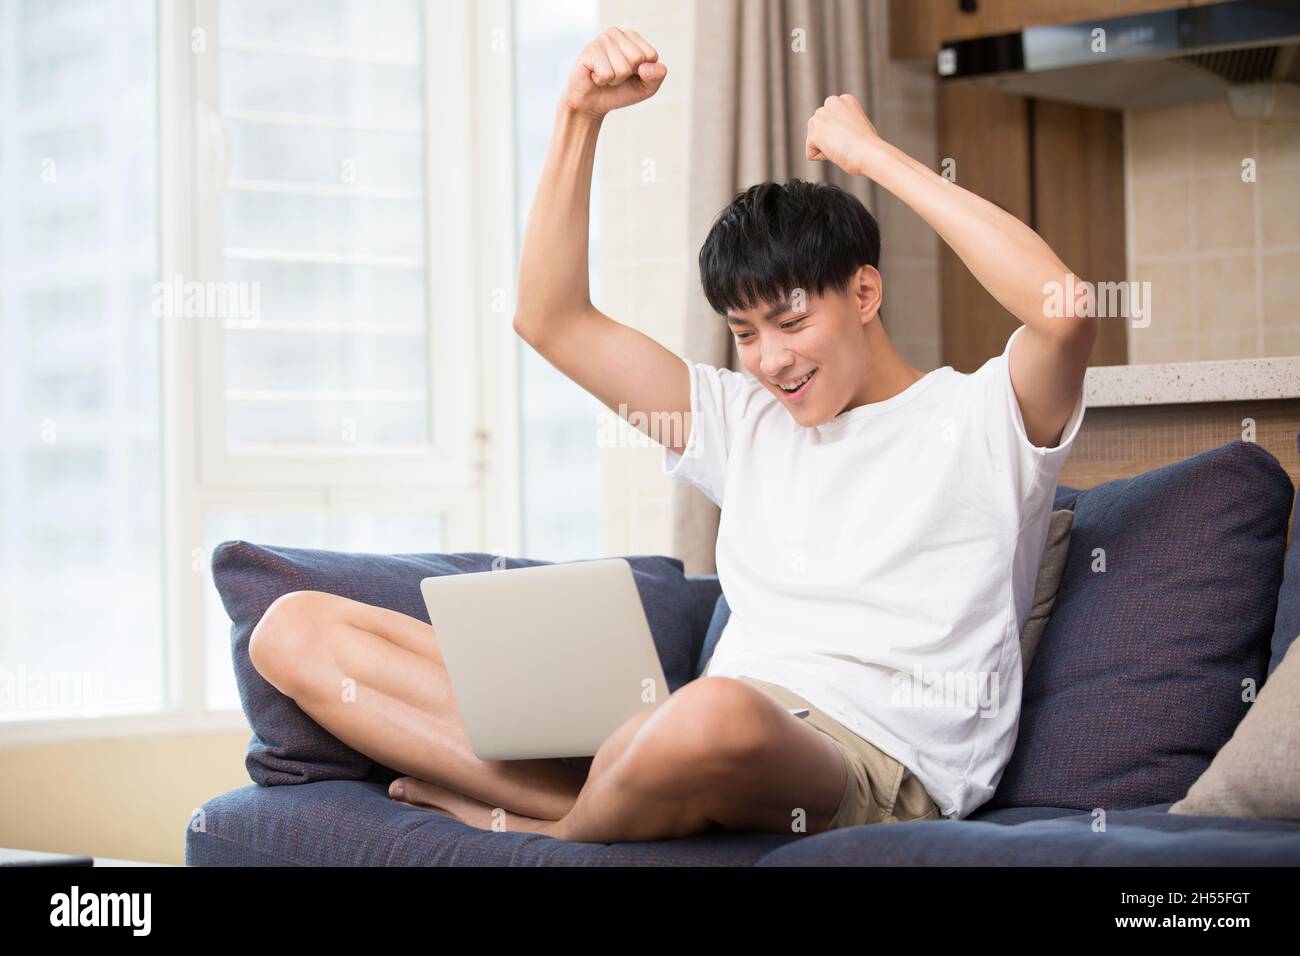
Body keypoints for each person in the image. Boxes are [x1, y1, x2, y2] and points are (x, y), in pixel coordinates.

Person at [249, 27, 1093, 843]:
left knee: (712, 714)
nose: (771, 360)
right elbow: (551, 319)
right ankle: (609, 792)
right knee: (294, 630)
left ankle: (559, 829)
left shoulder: (981, 420)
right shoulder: (742, 421)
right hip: (685, 734)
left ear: (865, 293)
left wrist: (874, 157)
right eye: (745, 333)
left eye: (791, 320)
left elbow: (1063, 309)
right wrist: (579, 116)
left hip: (862, 762)